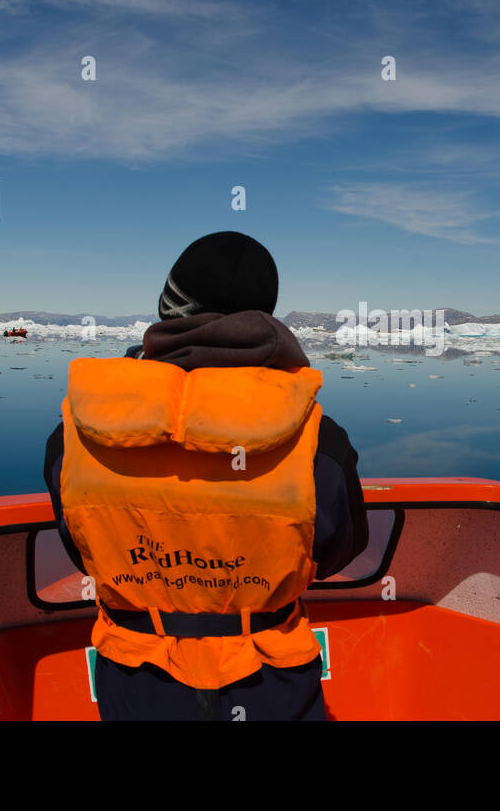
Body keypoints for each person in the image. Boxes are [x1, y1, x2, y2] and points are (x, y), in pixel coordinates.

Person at [42, 231, 368, 720]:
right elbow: (340, 548)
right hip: (267, 681)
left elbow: (80, 545)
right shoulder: (320, 440)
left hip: (135, 679)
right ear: (264, 316)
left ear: (169, 306)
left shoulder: (75, 433)